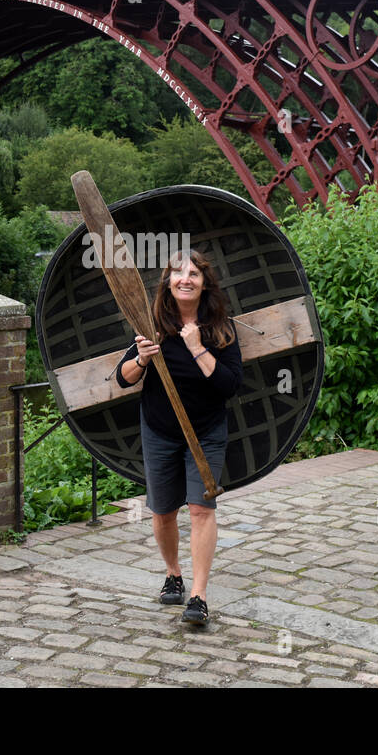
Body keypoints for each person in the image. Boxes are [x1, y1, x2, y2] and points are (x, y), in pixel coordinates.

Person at [115, 249, 243, 629]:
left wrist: (197, 348)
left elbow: (229, 386)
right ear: (168, 282)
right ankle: (173, 573)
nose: (185, 279)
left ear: (205, 283)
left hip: (205, 432)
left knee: (201, 509)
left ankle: (198, 596)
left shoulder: (221, 328)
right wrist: (141, 358)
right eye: (177, 273)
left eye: (193, 274)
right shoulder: (152, 322)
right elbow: (122, 378)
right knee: (162, 510)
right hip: (159, 430)